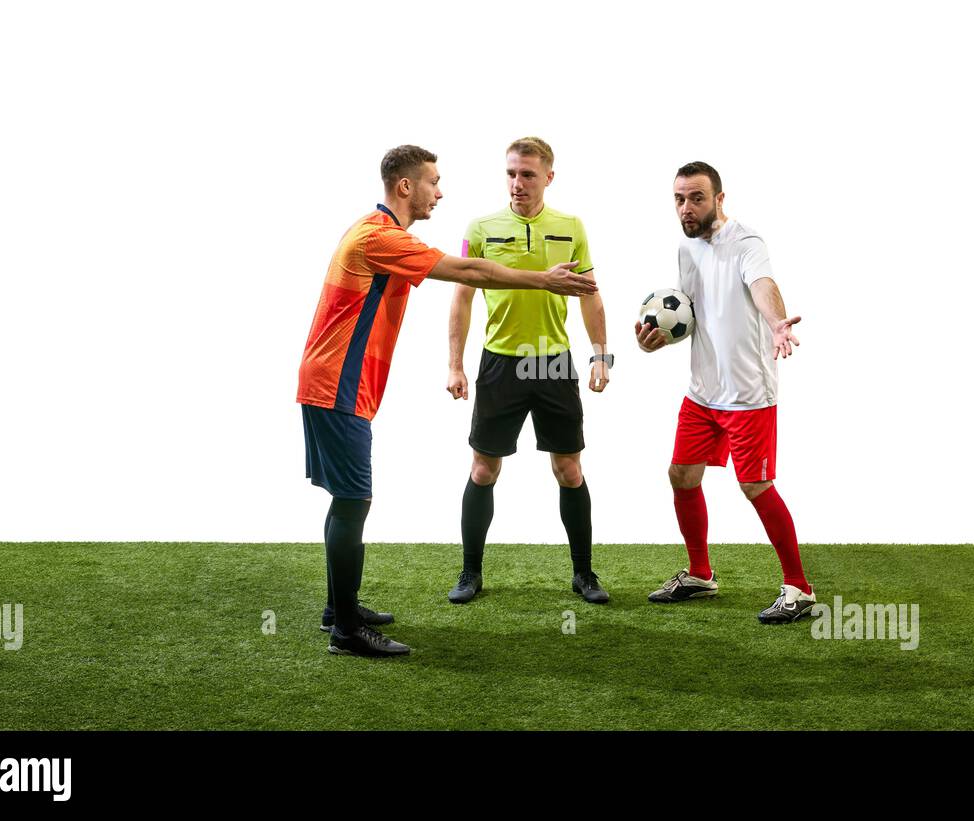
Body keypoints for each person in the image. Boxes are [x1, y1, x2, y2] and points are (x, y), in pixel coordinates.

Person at [297, 145, 597, 657]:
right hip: (337, 387)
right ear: (406, 186)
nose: (441, 191)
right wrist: (543, 281)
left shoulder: (380, 232)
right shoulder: (381, 237)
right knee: (353, 501)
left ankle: (338, 607)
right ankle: (346, 629)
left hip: (336, 383)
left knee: (346, 501)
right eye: (434, 181)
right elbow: (471, 274)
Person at [636, 161, 815, 623]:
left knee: (755, 485)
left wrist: (777, 321)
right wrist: (653, 337)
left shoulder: (747, 243)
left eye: (696, 197)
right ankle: (700, 574)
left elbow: (763, 285)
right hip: (702, 392)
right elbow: (689, 311)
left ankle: (799, 588)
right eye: (679, 198)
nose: (686, 207)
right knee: (681, 476)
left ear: (719, 198)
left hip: (746, 394)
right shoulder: (685, 247)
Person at [443, 137, 610, 605]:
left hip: (554, 360)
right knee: (482, 470)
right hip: (499, 361)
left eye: (528, 174)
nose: (518, 183)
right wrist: (455, 364)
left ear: (548, 177)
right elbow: (461, 296)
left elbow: (590, 292)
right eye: (512, 173)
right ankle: (470, 573)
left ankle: (584, 574)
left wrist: (601, 354)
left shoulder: (571, 225)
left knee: (570, 470)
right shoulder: (481, 227)